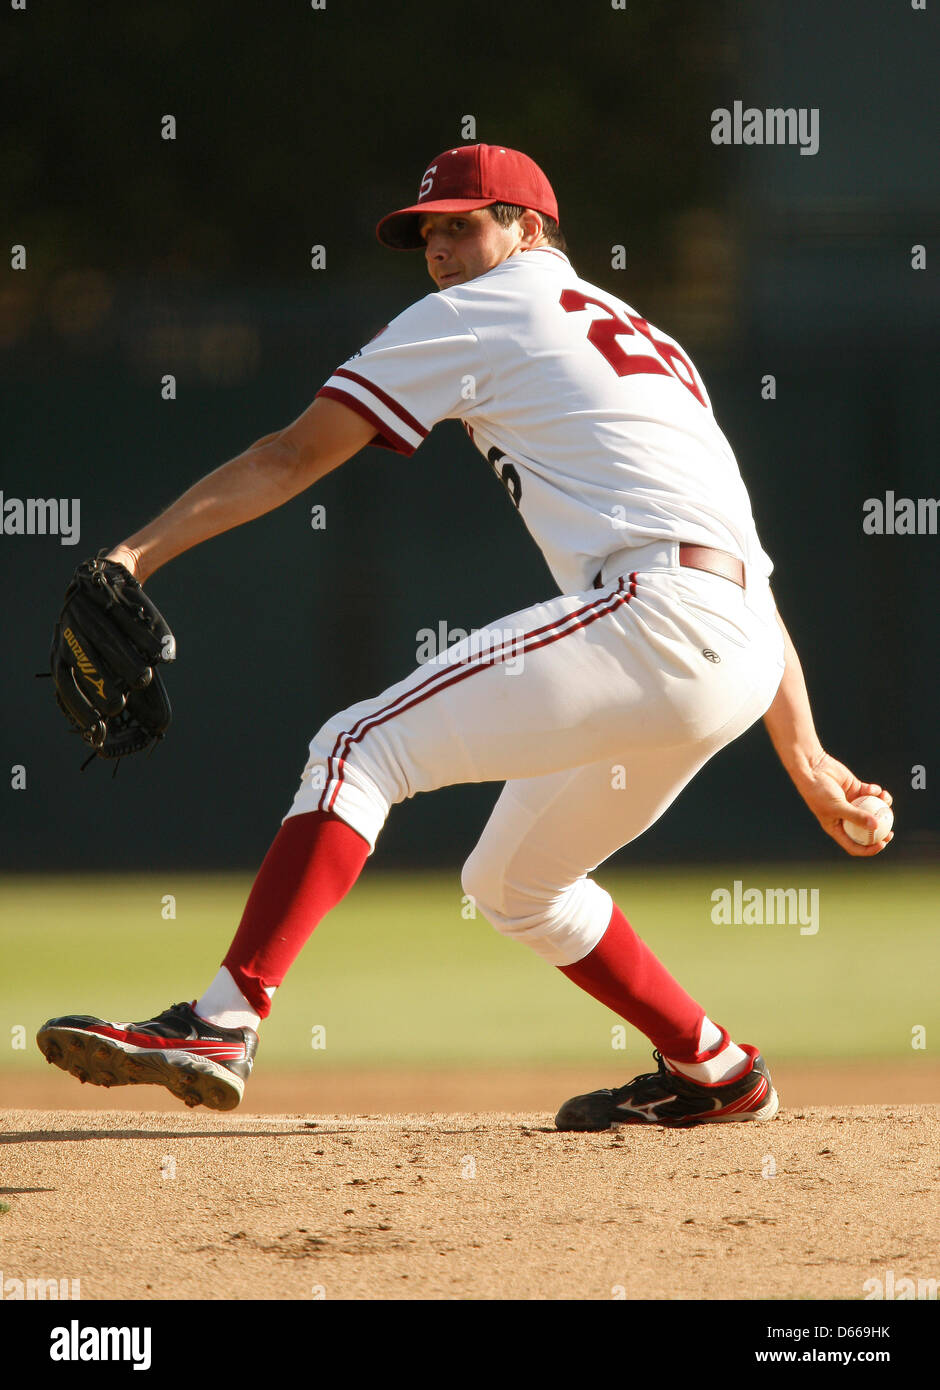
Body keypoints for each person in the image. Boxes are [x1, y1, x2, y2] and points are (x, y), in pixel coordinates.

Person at [37, 143, 892, 1129]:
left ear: (528, 230)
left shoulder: (483, 308)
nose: (441, 248)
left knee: (357, 747)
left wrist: (133, 557)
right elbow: (743, 564)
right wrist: (810, 757)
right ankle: (715, 1068)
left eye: (464, 223)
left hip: (656, 618)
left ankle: (222, 1021)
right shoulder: (655, 340)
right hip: (732, 646)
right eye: (427, 232)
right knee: (514, 884)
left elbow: (289, 456)